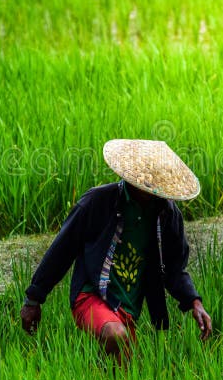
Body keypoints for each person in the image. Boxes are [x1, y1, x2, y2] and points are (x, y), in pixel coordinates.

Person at [19, 139, 212, 363]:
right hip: (92, 295)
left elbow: (175, 269)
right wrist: (33, 299)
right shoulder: (98, 202)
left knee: (125, 374)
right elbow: (62, 249)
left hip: (128, 309)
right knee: (115, 336)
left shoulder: (167, 215)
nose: (156, 191)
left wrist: (194, 303)